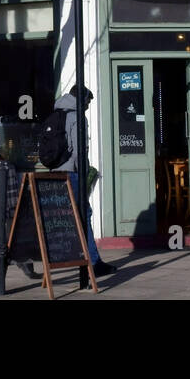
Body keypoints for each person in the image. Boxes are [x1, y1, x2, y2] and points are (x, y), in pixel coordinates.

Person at [54, 85, 114, 277]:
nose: (88, 106)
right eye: (88, 101)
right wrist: (85, 173)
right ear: (82, 99)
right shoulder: (77, 116)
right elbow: (80, 150)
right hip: (72, 173)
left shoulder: (58, 112)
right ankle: (93, 263)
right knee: (83, 215)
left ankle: (57, 257)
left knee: (59, 219)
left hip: (55, 174)